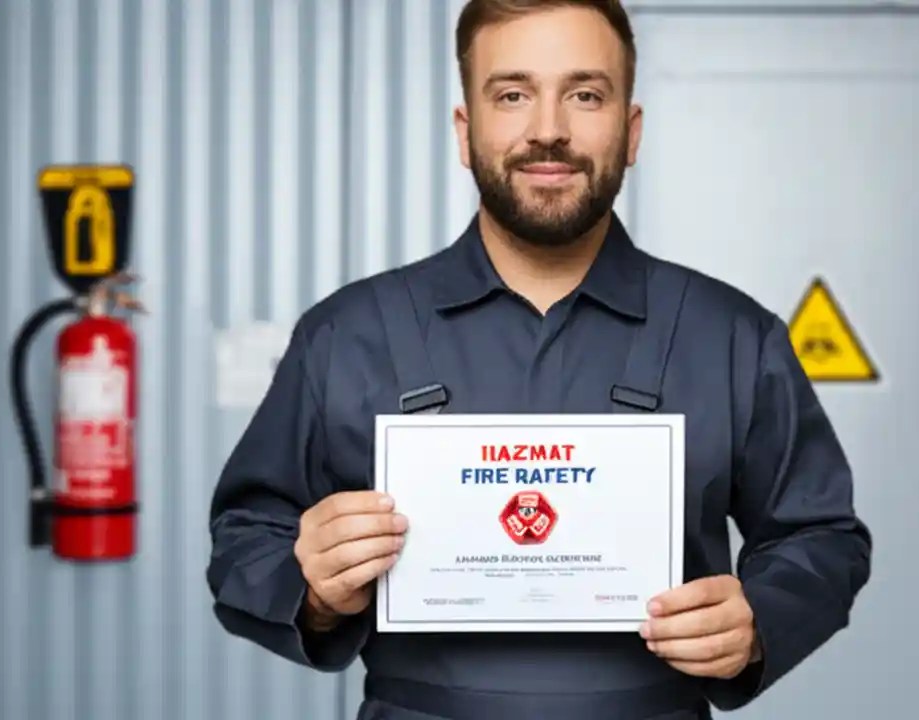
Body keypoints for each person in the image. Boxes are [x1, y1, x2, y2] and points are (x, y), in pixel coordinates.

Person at [206, 1, 872, 717]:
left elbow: (820, 534)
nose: (548, 129)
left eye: (584, 95)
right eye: (512, 95)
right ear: (465, 131)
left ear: (631, 131)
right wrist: (310, 589)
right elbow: (247, 538)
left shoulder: (733, 337)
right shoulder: (346, 335)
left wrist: (759, 620)